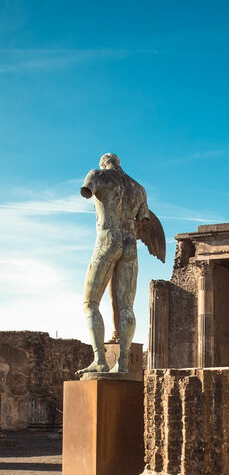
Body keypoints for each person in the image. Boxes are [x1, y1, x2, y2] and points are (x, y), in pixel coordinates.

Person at [76, 153, 150, 376]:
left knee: (90, 302)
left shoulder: (97, 175)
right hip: (130, 244)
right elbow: (143, 220)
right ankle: (124, 362)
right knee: (127, 307)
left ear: (104, 163)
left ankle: (99, 359)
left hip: (107, 240)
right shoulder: (139, 189)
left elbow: (86, 191)